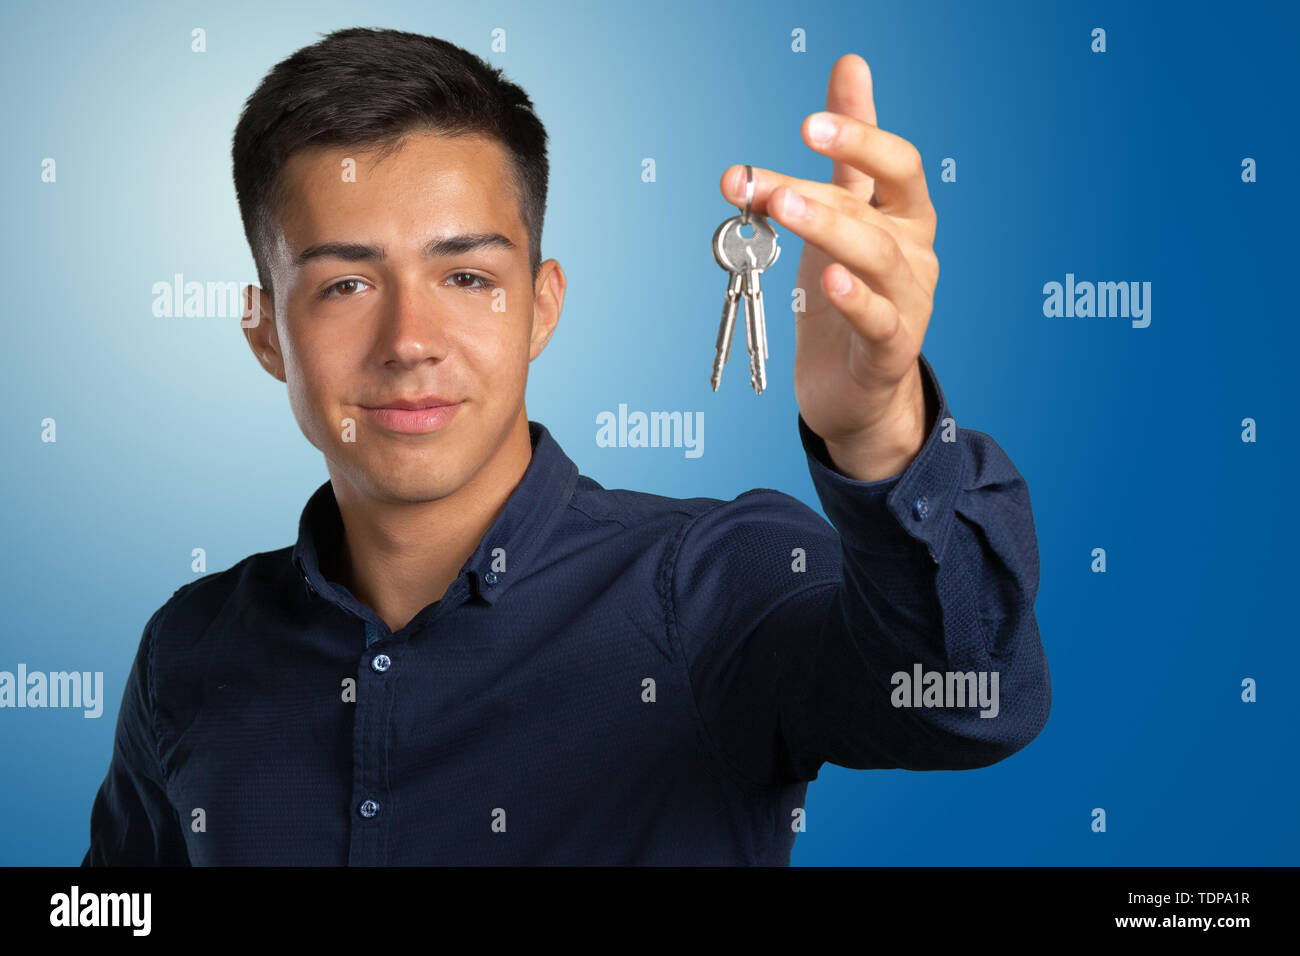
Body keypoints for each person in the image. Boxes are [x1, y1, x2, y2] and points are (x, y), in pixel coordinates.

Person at [82, 28, 1050, 866]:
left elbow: (963, 702)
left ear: (540, 305)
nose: (409, 338)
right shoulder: (192, 646)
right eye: (344, 284)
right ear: (263, 332)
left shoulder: (716, 581)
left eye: (465, 276)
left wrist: (878, 431)